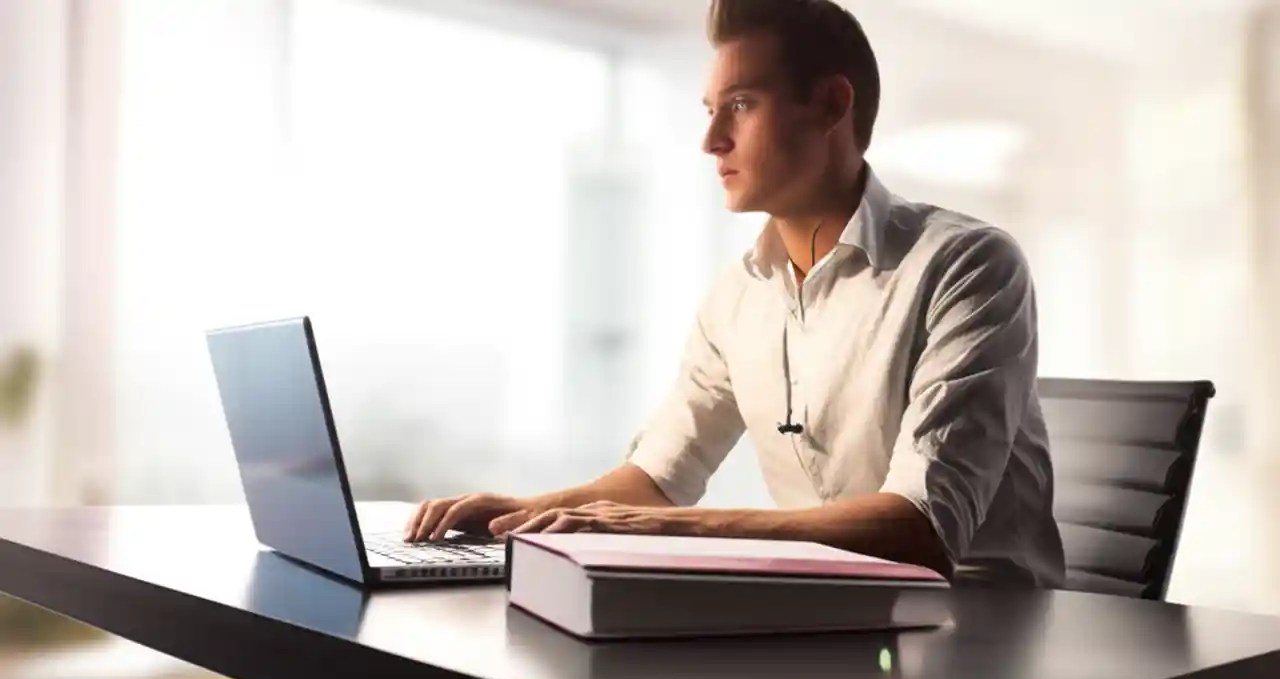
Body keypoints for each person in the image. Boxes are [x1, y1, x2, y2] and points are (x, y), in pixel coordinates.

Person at [405, 0, 1065, 586]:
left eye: (742, 104)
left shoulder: (966, 265)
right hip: (833, 619)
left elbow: (920, 527)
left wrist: (669, 533)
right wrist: (528, 511)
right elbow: (660, 478)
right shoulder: (738, 297)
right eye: (709, 109)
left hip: (985, 639)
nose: (711, 139)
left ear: (833, 104)